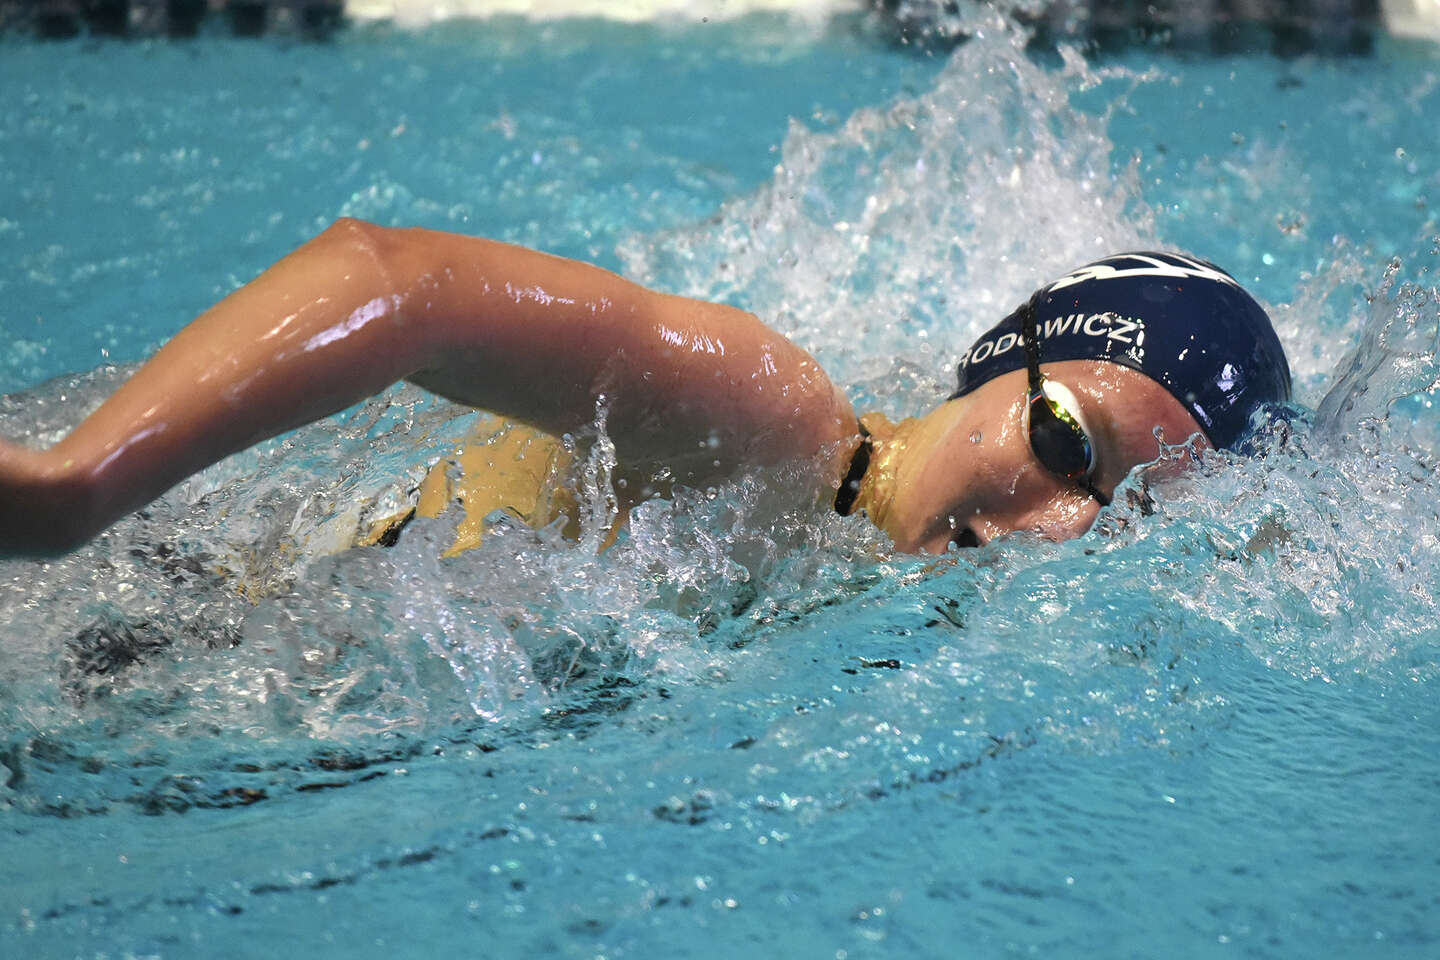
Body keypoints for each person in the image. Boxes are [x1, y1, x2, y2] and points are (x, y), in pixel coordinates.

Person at [0, 221, 1290, 557]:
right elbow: (406, 285)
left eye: (1122, 515)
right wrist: (80, 482)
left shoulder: (860, 563)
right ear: (996, 363)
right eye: (1068, 441)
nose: (1065, 527)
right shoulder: (777, 427)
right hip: (180, 623)